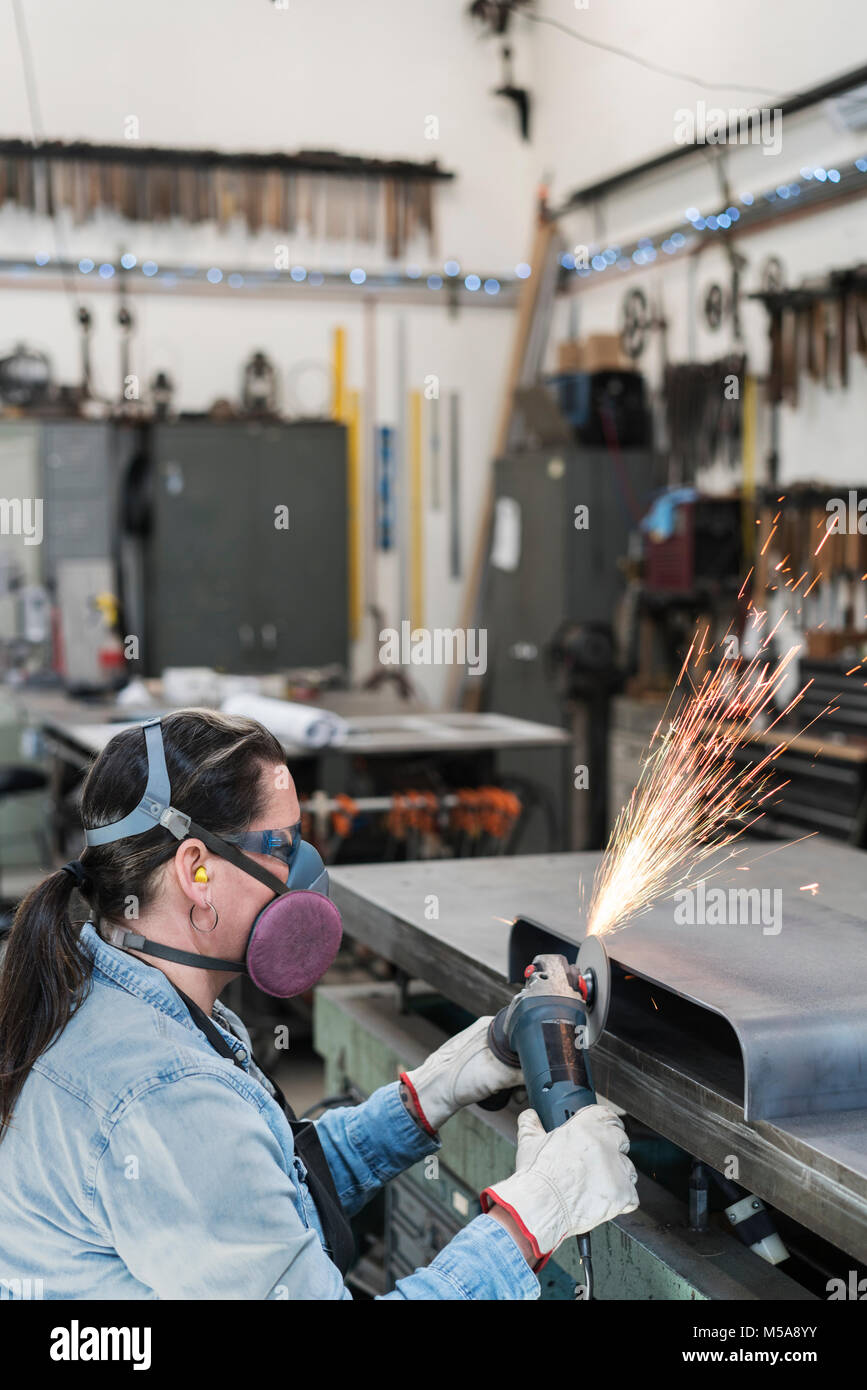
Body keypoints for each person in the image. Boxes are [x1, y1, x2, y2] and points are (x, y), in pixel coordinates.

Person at [0, 709, 638, 1299]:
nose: (304, 869)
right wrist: (532, 1218)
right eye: (280, 847)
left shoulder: (101, 983)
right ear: (196, 870)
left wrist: (432, 1095)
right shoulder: (165, 1094)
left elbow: (262, 1196)